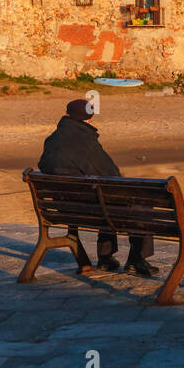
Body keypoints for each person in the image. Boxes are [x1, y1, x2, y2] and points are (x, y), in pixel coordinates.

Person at [37, 98, 157, 277]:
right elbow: (111, 174)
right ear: (90, 118)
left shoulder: (52, 139)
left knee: (103, 199)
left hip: (63, 208)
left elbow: (43, 165)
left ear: (66, 115)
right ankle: (136, 259)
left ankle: (106, 259)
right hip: (89, 208)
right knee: (140, 205)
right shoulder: (86, 141)